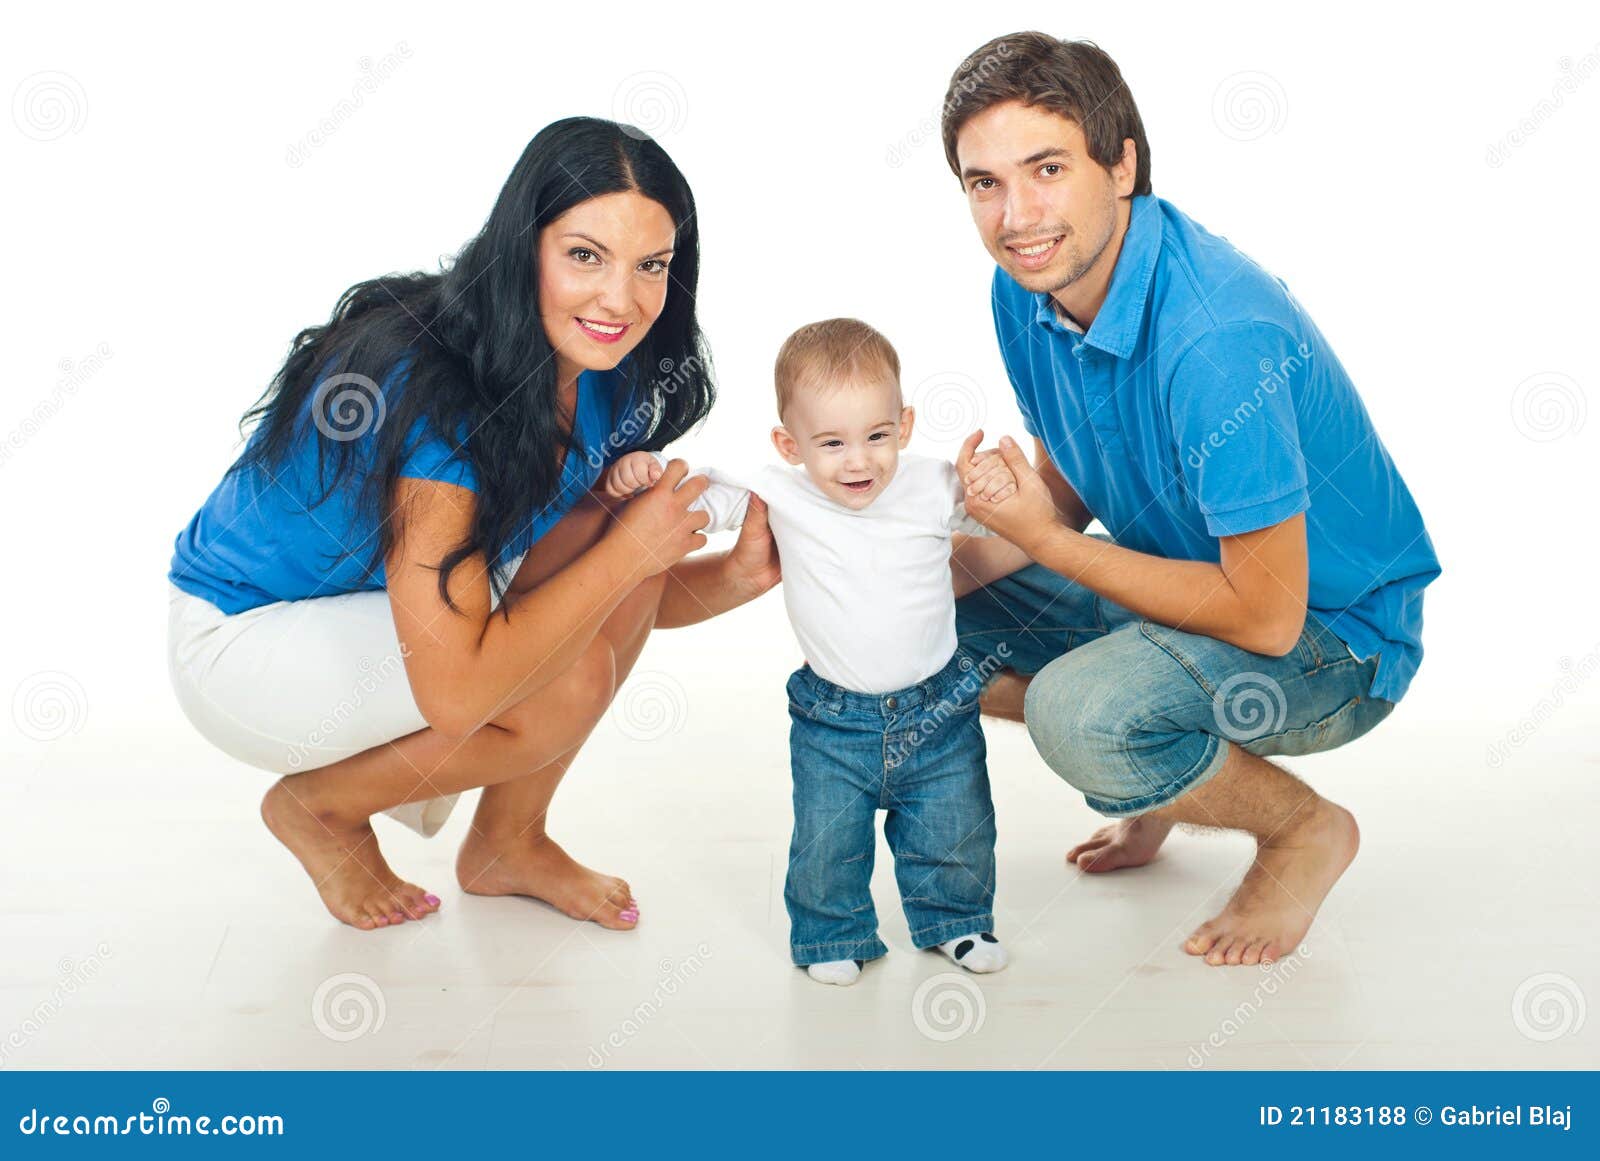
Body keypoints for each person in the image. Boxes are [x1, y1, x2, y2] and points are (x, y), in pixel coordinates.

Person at [166, 117, 779, 933]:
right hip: (244, 637)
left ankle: (506, 845)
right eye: (584, 255)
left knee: (613, 539)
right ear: (523, 246)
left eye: (652, 266)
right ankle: (319, 810)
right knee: (570, 675)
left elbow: (623, 590)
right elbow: (458, 696)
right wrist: (633, 550)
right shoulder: (437, 395)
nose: (620, 301)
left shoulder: (607, 373)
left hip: (382, 608)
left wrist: (731, 576)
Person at [941, 33, 1442, 966]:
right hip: (1188, 588)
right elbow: (1081, 470)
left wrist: (1041, 541)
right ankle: (1155, 782)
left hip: (1333, 639)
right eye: (985, 183)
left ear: (1121, 163)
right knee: (916, 626)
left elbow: (1263, 613)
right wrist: (921, 562)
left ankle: (1301, 832)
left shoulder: (1216, 339)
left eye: (1048, 168)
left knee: (1077, 715)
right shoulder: (1029, 288)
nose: (1017, 216)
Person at [602, 319, 1019, 985]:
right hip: (834, 721)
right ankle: (832, 930)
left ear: (904, 426)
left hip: (939, 709)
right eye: (832, 443)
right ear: (789, 444)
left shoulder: (932, 484)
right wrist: (643, 473)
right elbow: (696, 500)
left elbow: (1004, 518)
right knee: (828, 838)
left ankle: (957, 919)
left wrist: (993, 484)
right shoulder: (780, 490)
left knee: (956, 822)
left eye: (877, 436)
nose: (859, 460)